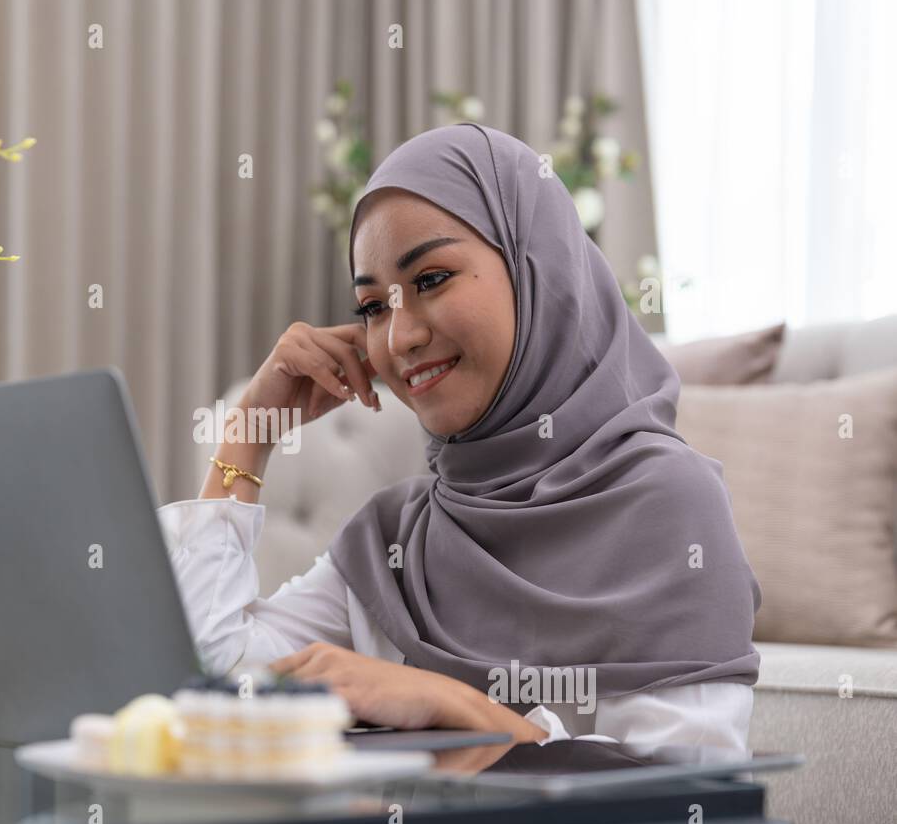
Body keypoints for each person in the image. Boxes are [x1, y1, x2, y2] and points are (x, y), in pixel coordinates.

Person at [156, 122, 762, 762]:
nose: (398, 339)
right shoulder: (398, 543)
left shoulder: (670, 503)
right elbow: (203, 683)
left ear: (534, 269)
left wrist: (471, 714)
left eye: (431, 278)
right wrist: (249, 432)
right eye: (373, 307)